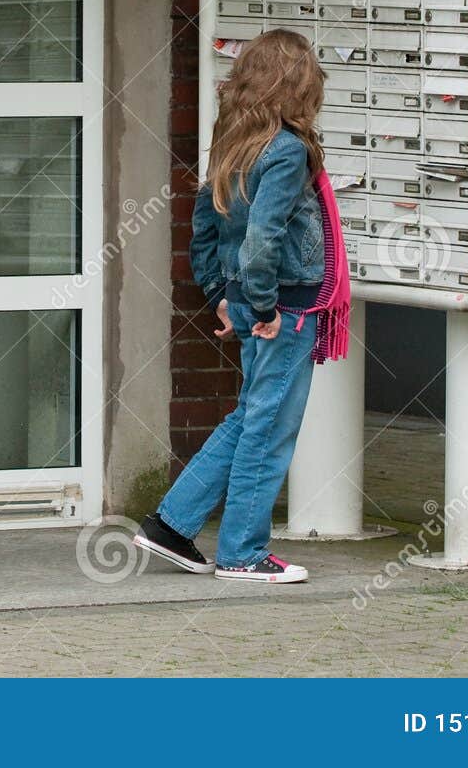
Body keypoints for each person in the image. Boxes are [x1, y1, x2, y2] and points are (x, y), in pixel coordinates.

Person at [133, 29, 351, 584]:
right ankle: (242, 552)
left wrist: (221, 297)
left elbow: (204, 226)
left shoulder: (233, 139)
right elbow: (263, 238)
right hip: (285, 308)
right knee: (268, 428)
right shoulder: (288, 150)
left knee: (250, 415)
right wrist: (260, 305)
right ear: (298, 86)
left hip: (254, 300)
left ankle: (170, 525)